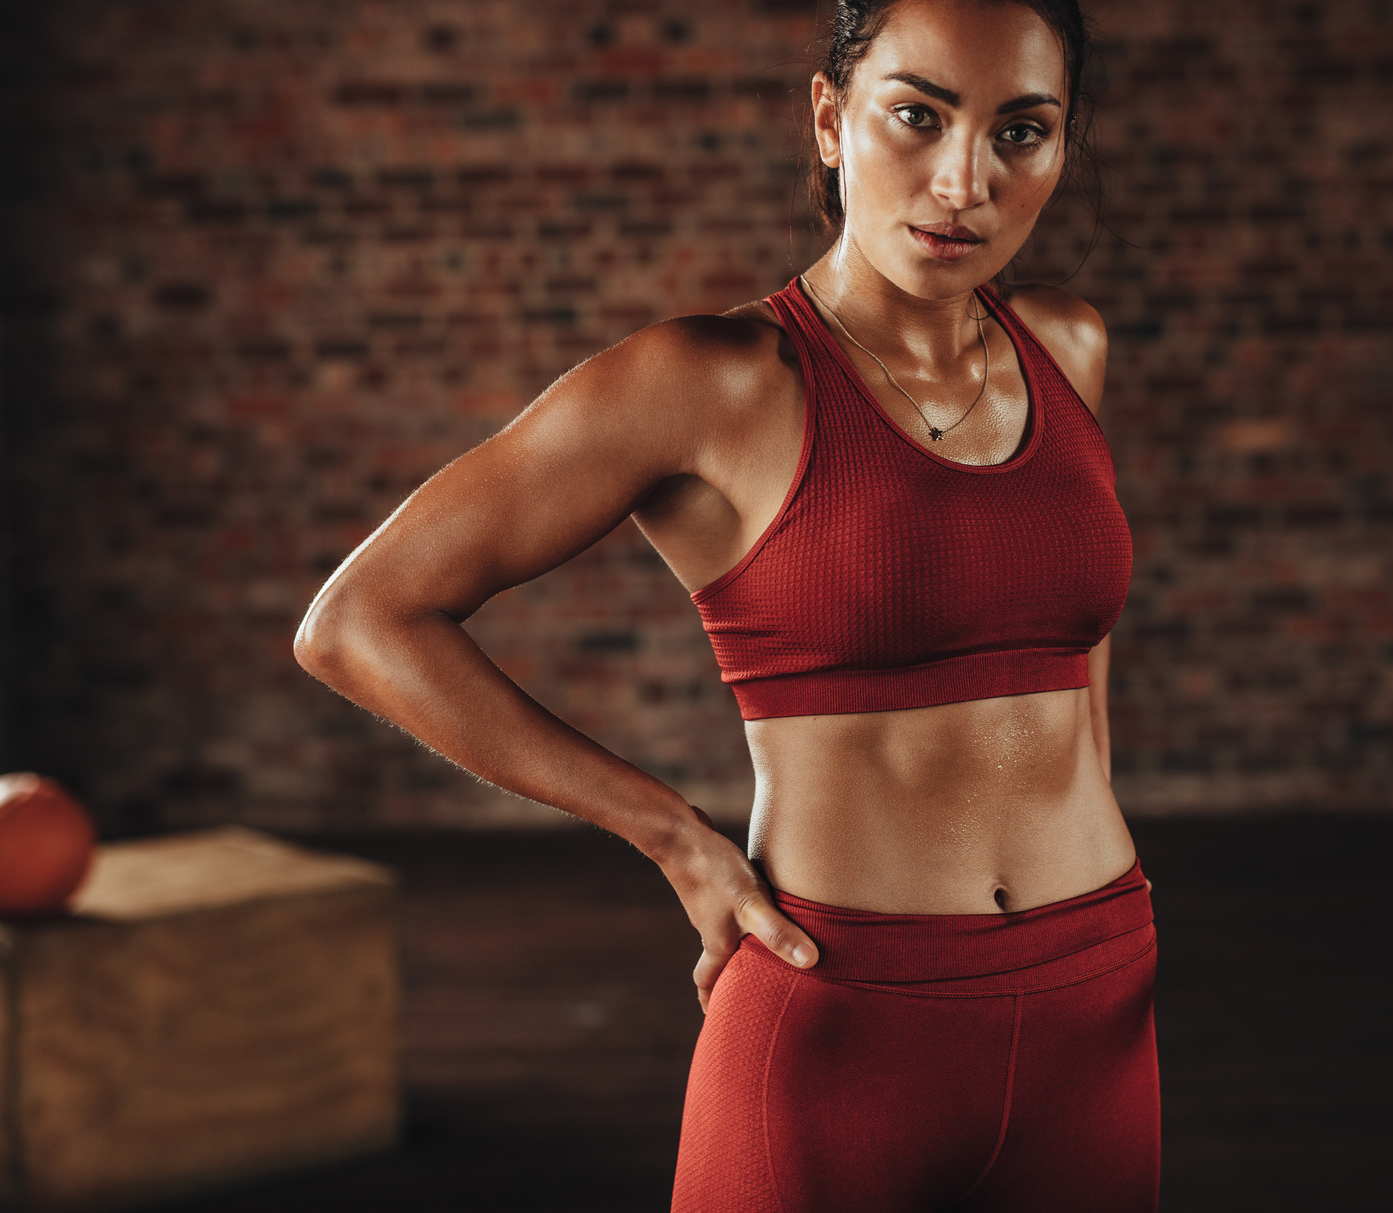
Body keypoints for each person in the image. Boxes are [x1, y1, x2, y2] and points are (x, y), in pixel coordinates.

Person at [295, 0, 1157, 1208]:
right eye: (916, 116)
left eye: (1023, 132)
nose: (964, 178)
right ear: (828, 118)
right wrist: (671, 835)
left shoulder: (1067, 346)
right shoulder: (710, 381)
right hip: (841, 1014)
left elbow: (1076, 653)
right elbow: (360, 619)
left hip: (1095, 998)